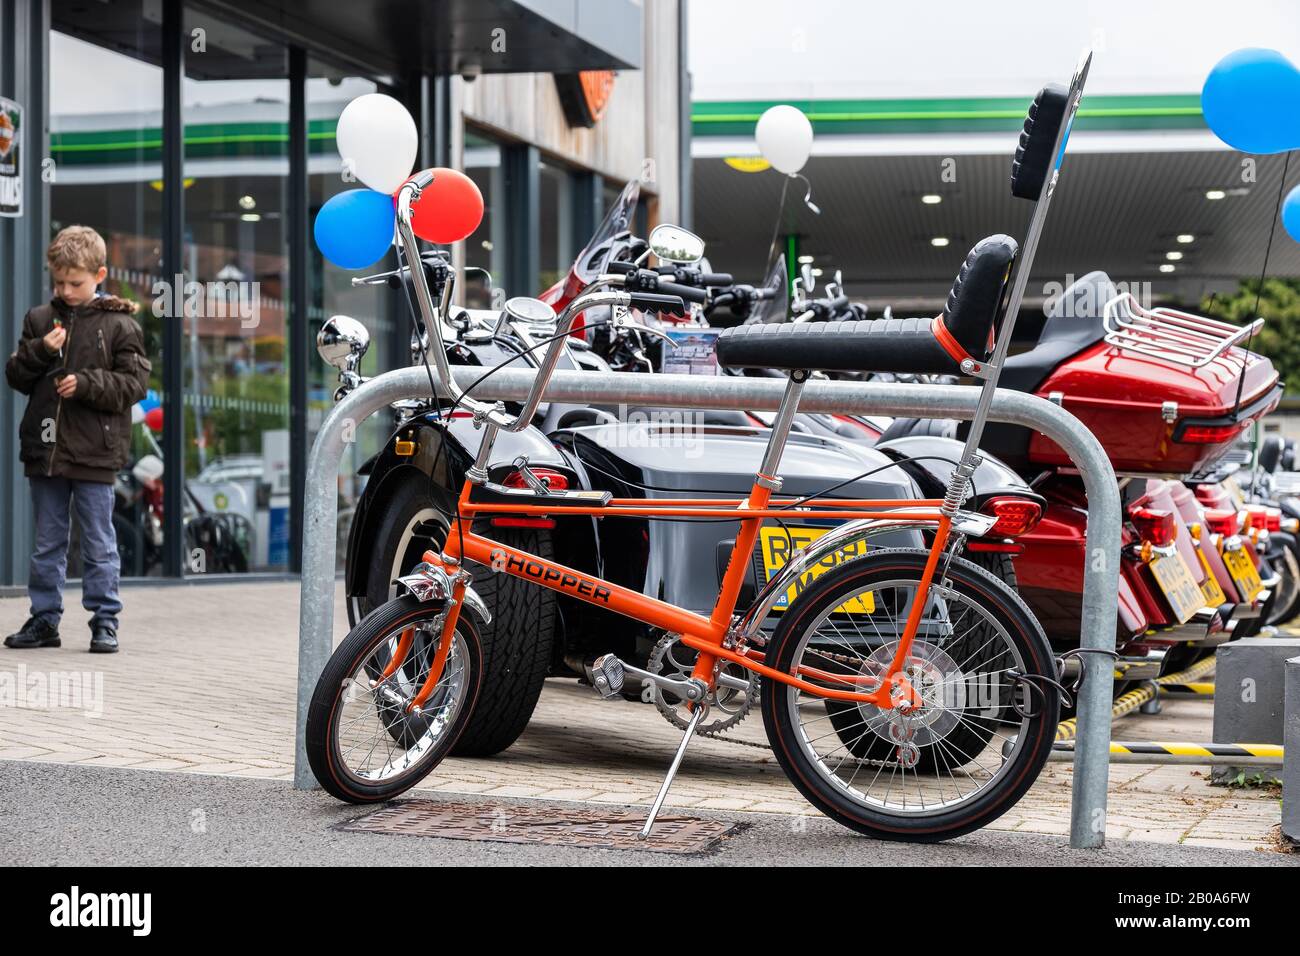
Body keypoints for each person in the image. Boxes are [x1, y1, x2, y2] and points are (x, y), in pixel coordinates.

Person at [4, 225, 150, 653]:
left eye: (75, 282)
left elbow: (134, 385)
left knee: (98, 540)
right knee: (48, 541)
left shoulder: (120, 324)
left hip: (95, 452)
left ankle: (105, 620)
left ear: (99, 274)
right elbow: (15, 376)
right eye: (59, 282)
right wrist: (40, 351)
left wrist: (85, 384)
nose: (65, 290)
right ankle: (44, 619)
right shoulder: (38, 319)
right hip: (45, 451)